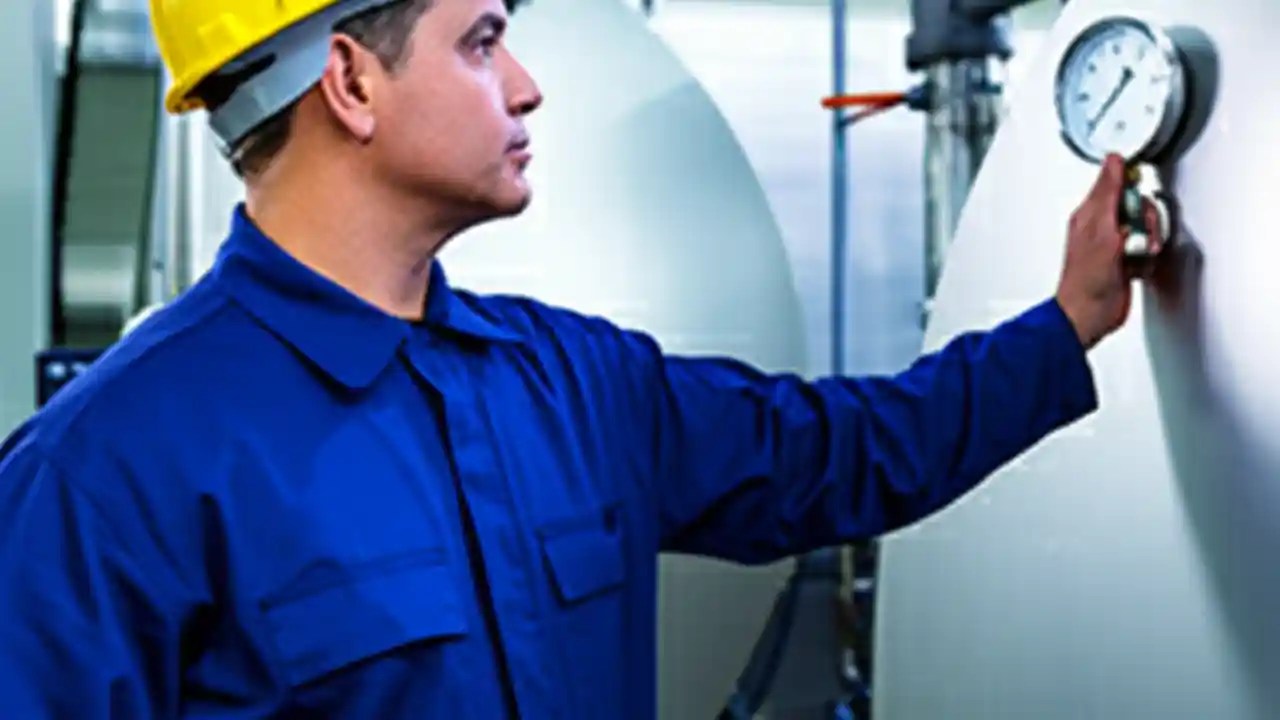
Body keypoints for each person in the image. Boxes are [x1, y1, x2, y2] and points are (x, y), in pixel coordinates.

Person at [0, 0, 1159, 717]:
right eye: (482, 41)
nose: (525, 84)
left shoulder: (570, 385)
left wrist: (1063, 326)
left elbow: (845, 450)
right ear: (351, 81)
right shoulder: (103, 473)